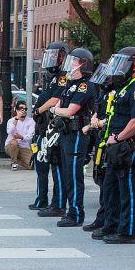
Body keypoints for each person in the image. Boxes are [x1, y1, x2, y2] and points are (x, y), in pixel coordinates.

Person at [94, 47, 135, 245]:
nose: (118, 69)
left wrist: (118, 137)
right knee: (111, 188)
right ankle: (110, 225)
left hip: (127, 146)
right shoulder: (125, 87)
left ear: (134, 65)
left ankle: (127, 232)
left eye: (123, 64)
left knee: (127, 189)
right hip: (116, 146)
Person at [48, 49, 97, 227]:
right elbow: (60, 104)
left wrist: (54, 110)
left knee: (75, 175)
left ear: (83, 64)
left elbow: (69, 111)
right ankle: (71, 210)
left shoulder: (85, 85)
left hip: (77, 133)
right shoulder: (70, 84)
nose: (71, 65)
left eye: (75, 62)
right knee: (67, 173)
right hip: (66, 132)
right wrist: (58, 110)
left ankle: (76, 213)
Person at [31, 42, 68, 213]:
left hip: (54, 128)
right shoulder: (53, 77)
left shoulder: (63, 77)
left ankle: (58, 204)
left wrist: (39, 109)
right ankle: (43, 199)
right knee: (42, 164)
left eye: (54, 56)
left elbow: (55, 100)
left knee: (56, 166)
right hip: (43, 126)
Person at [4, 101, 35, 168]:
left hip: (24, 147)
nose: (23, 110)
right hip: (11, 146)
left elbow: (30, 136)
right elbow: (9, 131)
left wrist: (21, 137)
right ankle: (14, 163)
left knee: (32, 165)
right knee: (14, 143)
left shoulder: (31, 121)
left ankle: (18, 161)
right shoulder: (11, 120)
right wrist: (17, 118)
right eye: (21, 108)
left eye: (25, 109)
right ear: (16, 110)